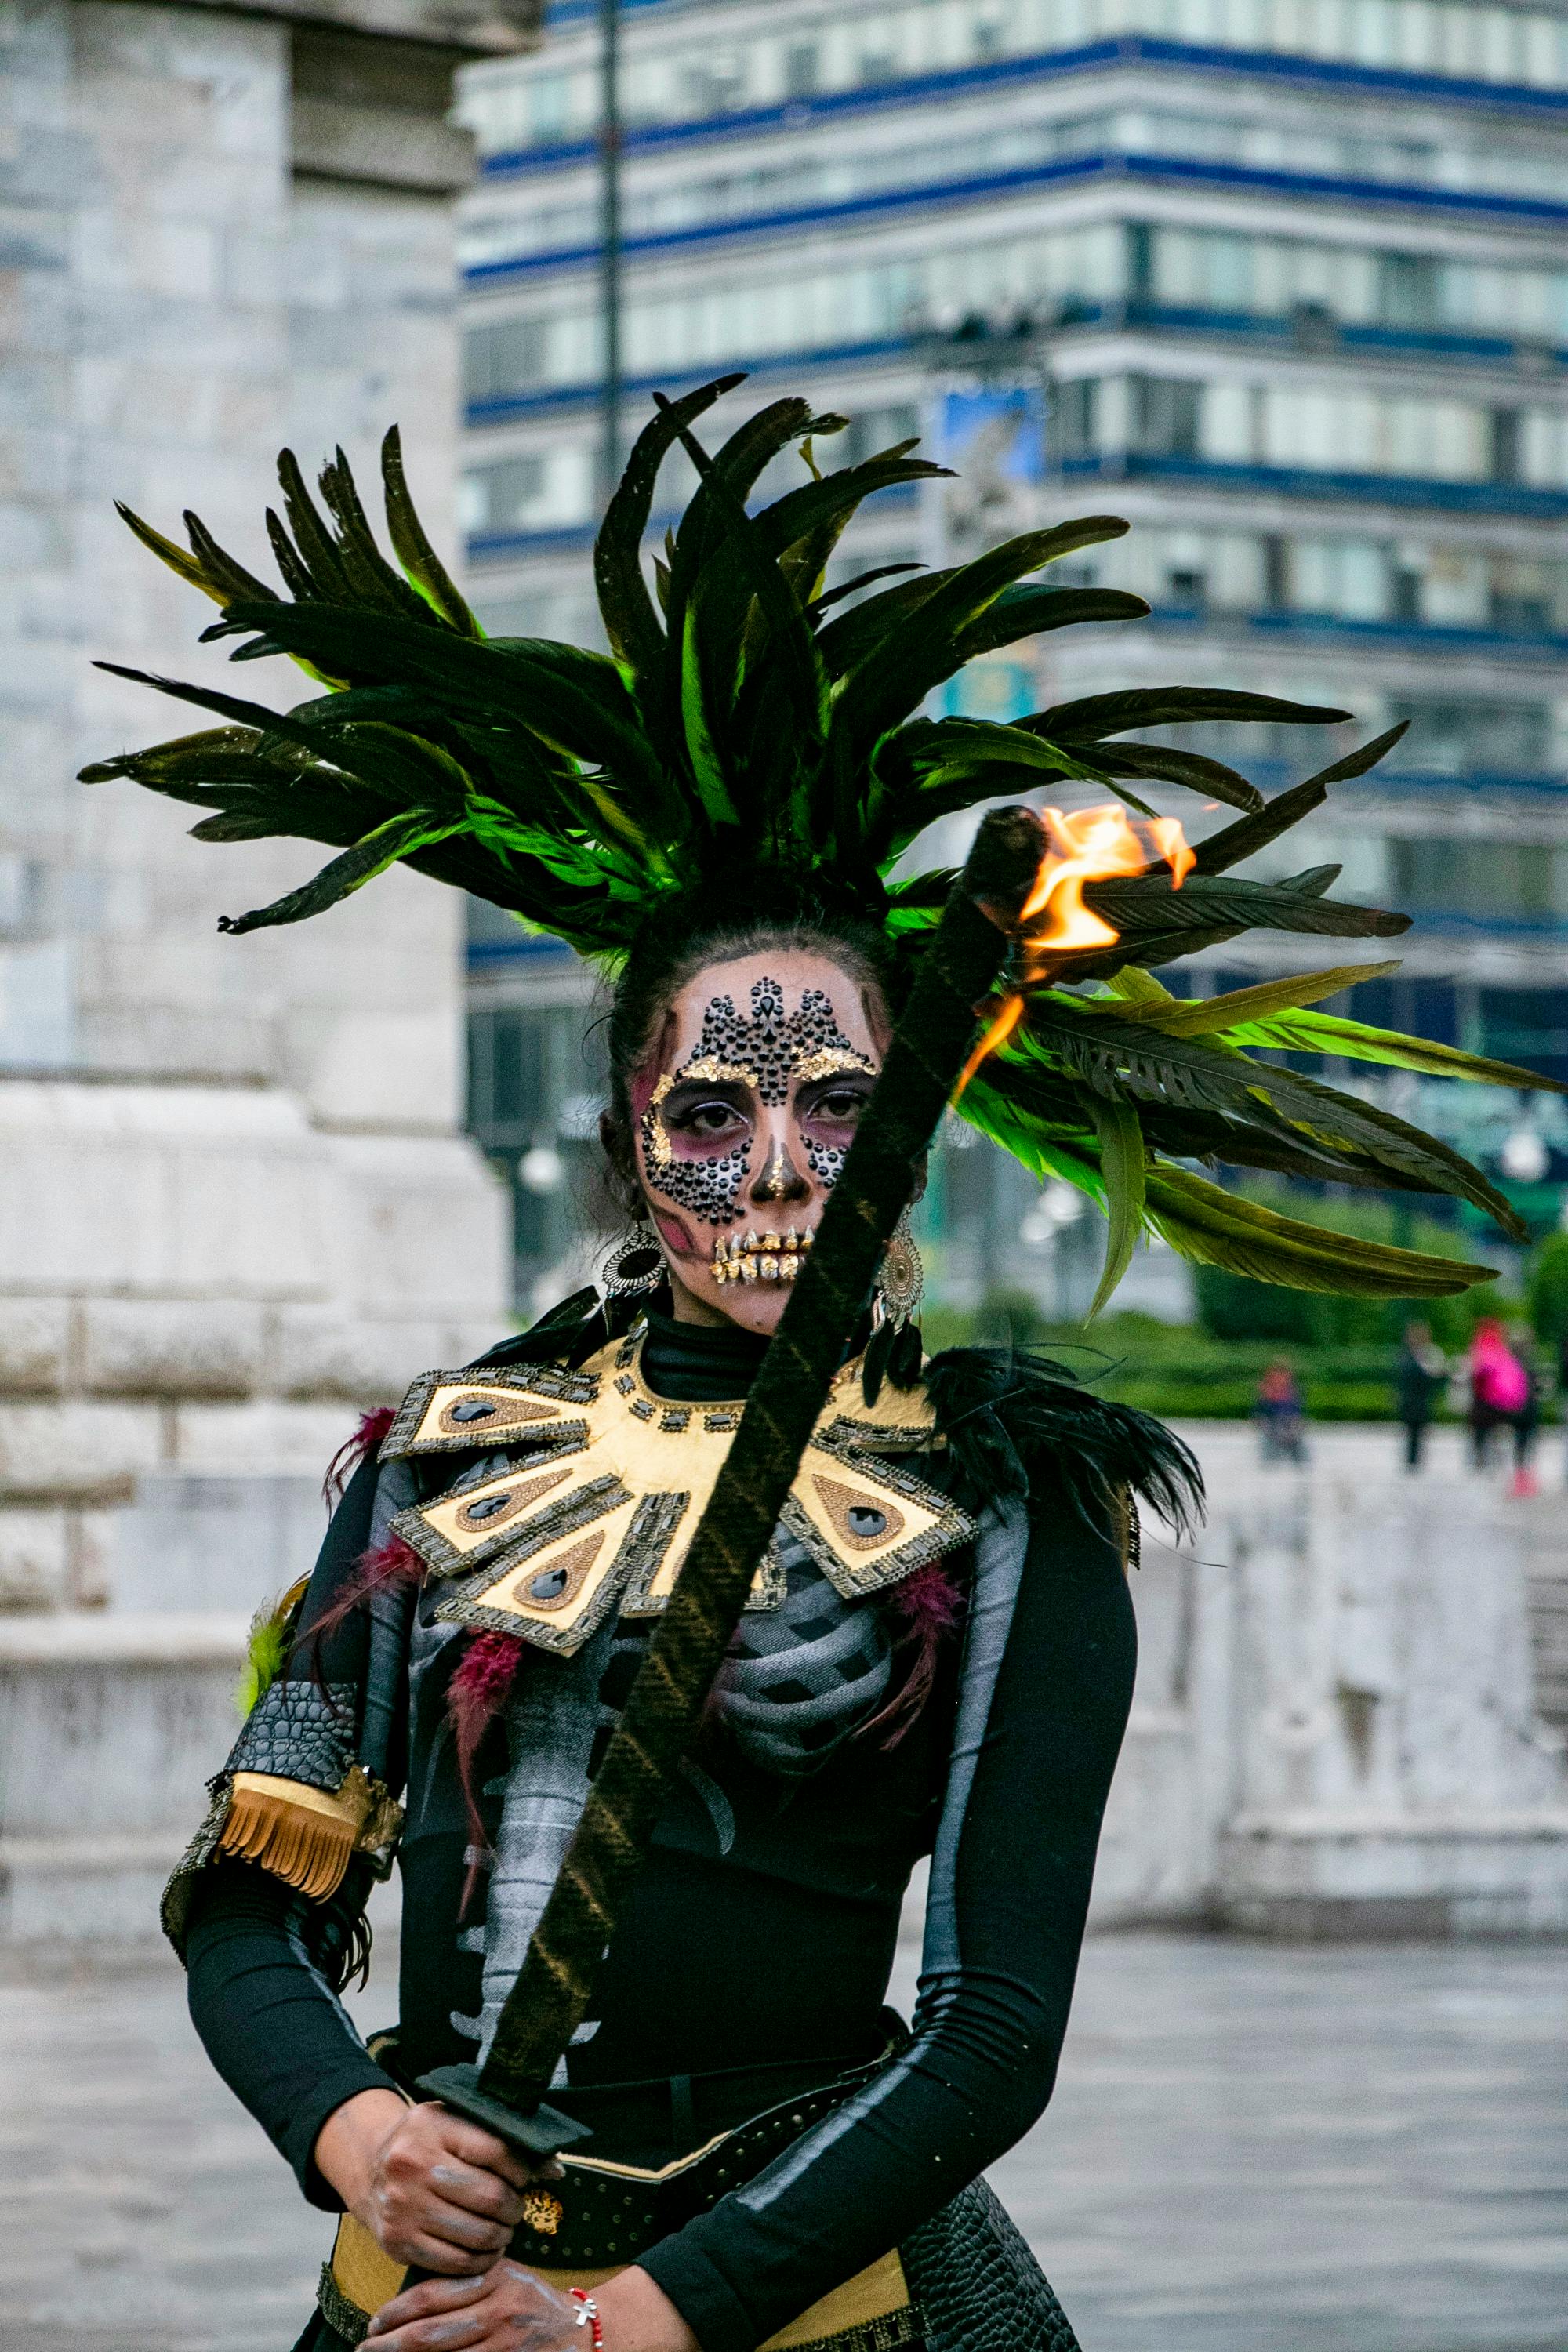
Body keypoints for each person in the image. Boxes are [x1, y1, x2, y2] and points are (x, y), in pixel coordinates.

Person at [97, 381, 1534, 2352]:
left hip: (808, 2305)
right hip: (418, 2301)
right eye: (711, 1109)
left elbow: (989, 2030)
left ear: (912, 1126)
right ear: (624, 1133)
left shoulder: (1011, 1494)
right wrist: (349, 2127)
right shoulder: (435, 1458)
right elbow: (248, 1896)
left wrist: (632, 2325)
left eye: (836, 1105)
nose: (774, 1166)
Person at [1467, 1316, 1536, 1490]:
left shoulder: (1481, 1351)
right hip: (1502, 1405)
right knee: (1499, 1436)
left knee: (1483, 1434)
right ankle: (1495, 1462)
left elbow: (1476, 1376)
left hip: (1485, 1403)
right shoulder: (1504, 1354)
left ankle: (1482, 1459)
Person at [1395, 1320, 1447, 1470]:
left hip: (1417, 1402)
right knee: (1413, 1435)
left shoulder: (1411, 1356)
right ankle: (1412, 1462)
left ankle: (1413, 1462)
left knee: (1416, 1435)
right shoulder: (1411, 1358)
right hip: (1415, 1402)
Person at [1254, 1357, 1308, 1465]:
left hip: (1290, 1428)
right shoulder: (1266, 1393)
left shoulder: (1293, 1393)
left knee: (1299, 1451)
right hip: (1271, 1428)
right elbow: (1259, 1417)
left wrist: (1293, 1431)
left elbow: (1298, 1415)